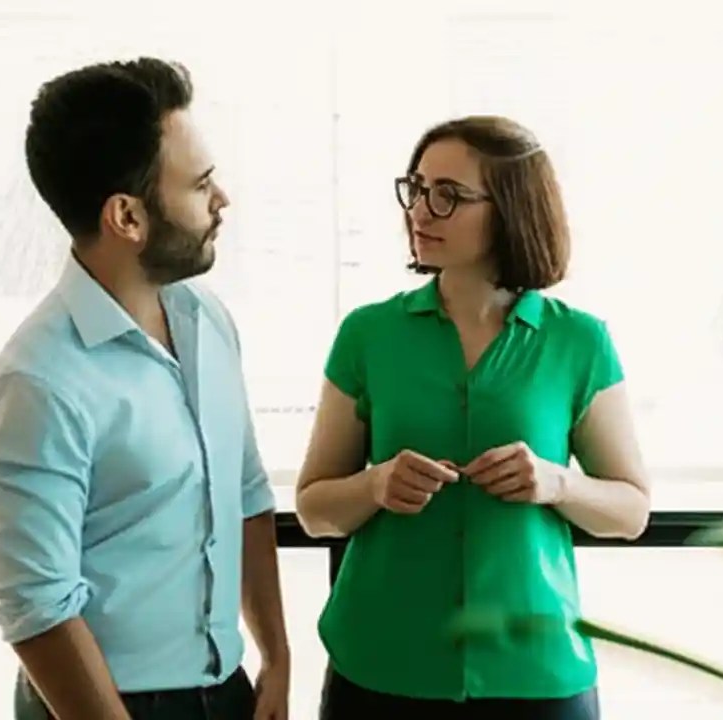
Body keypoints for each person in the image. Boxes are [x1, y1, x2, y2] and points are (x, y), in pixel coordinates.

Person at [0, 57, 291, 720]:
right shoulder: (37, 383)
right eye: (200, 186)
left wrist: (277, 660)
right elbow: (37, 608)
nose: (221, 200)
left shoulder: (208, 321)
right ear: (127, 217)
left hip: (227, 691)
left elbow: (246, 493)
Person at [295, 115, 651, 719]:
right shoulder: (367, 335)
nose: (420, 212)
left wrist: (556, 482)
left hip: (536, 674)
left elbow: (631, 510)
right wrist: (376, 484)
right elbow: (313, 507)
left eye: (448, 196)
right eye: (416, 188)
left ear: (511, 209)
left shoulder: (580, 342)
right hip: (380, 667)